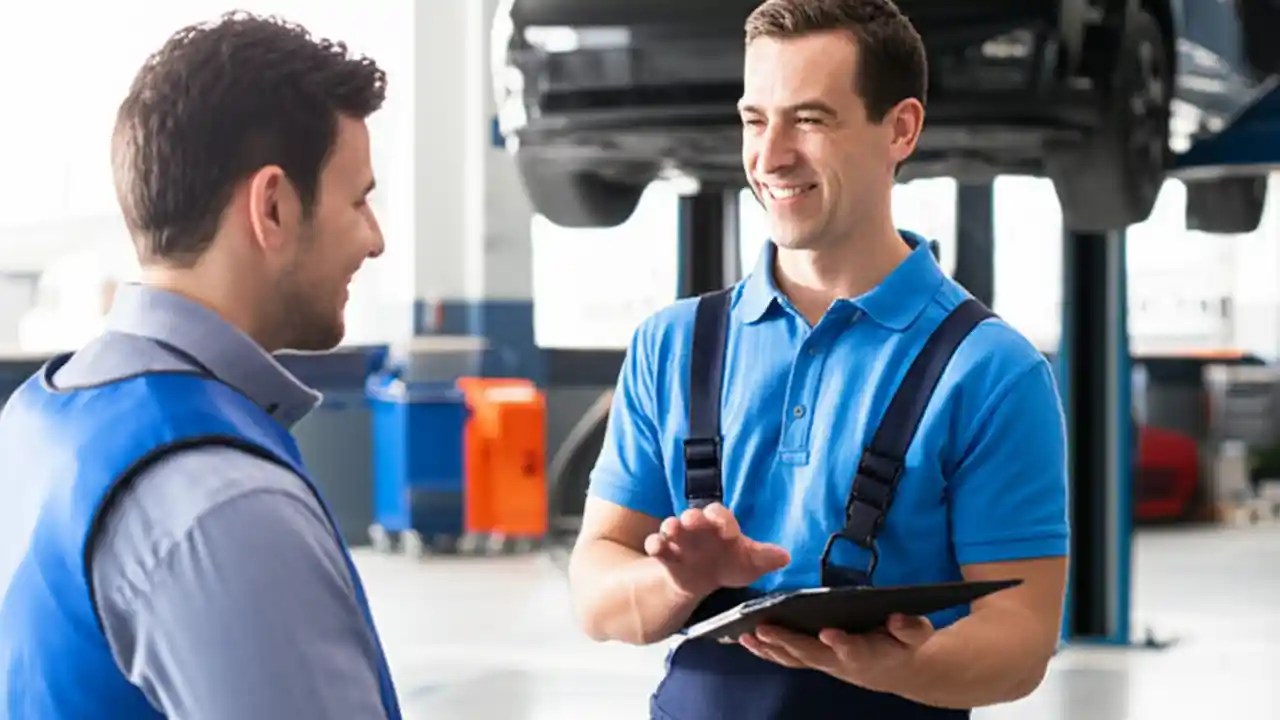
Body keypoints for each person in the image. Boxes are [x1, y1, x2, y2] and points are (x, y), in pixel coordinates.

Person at [566, 1, 1070, 718]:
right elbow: (596, 592)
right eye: (754, 119)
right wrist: (682, 581)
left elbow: (1020, 643)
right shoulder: (672, 346)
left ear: (900, 128)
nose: (770, 157)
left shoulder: (991, 373)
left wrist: (891, 666)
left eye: (809, 119)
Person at [0, 12, 401, 720]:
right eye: (360, 199)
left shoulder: (40, 418)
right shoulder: (226, 503)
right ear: (271, 207)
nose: (375, 240)